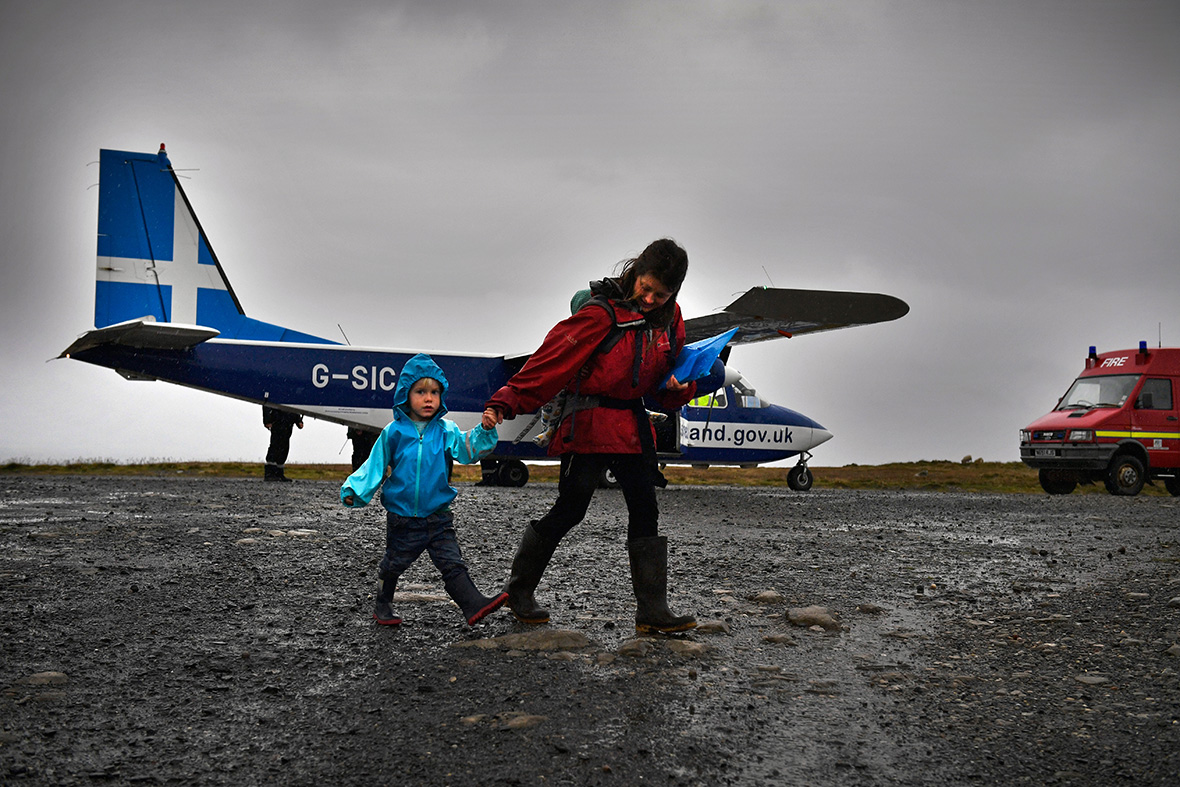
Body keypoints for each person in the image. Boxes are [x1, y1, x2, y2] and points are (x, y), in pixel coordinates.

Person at [484, 238, 699, 634]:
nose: (650, 299)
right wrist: (507, 400)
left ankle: (653, 611)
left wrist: (681, 385)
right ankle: (519, 591)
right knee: (571, 509)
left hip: (632, 426)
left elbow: (659, 385)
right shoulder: (599, 314)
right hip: (589, 420)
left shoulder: (671, 320)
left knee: (645, 509)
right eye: (645, 287)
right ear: (634, 272)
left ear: (675, 292)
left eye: (661, 294)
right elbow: (550, 361)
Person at [341, 353, 507, 627]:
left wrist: (485, 431)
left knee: (452, 562)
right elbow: (375, 466)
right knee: (394, 564)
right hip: (403, 517)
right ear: (406, 394)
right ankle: (383, 603)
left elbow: (468, 449)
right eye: (420, 392)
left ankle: (472, 603)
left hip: (439, 516)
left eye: (434, 392)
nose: (428, 398)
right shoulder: (394, 433)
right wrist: (355, 490)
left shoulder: (445, 430)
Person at [262, 405, 303, 482]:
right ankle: (270, 474)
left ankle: (279, 473)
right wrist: (267, 420)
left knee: (284, 448)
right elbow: (267, 405)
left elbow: (295, 409)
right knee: (275, 446)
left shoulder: (290, 397)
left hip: (288, 423)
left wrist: (299, 421)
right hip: (278, 421)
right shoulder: (277, 395)